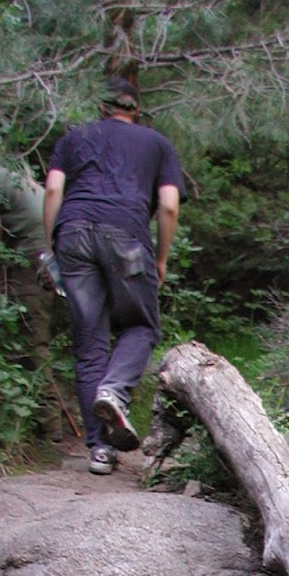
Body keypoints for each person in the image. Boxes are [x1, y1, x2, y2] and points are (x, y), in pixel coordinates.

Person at [43, 75, 185, 476]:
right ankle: (114, 391)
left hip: (72, 233)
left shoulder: (74, 138)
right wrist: (160, 258)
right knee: (141, 326)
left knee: (89, 344)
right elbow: (170, 206)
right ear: (135, 109)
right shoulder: (157, 144)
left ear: (102, 107)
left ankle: (100, 451)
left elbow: (54, 191)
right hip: (126, 235)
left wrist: (53, 243)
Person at [0, 163, 70, 444]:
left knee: (33, 343)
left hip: (29, 264)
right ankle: (38, 419)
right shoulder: (18, 177)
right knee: (32, 339)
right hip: (52, 262)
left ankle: (50, 430)